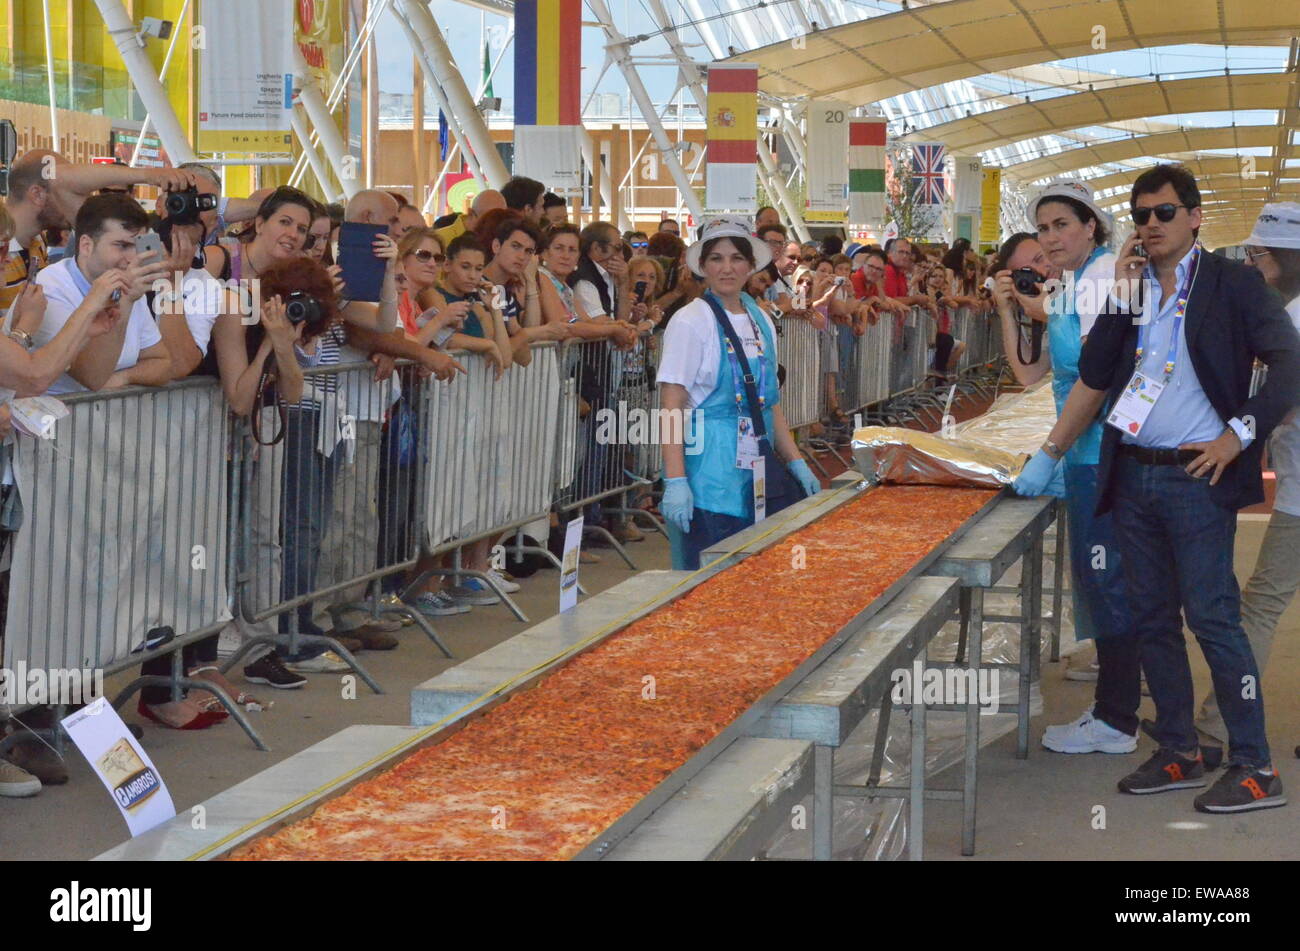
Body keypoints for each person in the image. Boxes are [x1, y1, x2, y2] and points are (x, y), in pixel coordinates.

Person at [1014, 164, 1300, 813]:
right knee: (1151, 619)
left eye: (1165, 212)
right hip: (1133, 469)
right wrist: (1120, 294)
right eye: (1143, 214)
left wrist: (1239, 433)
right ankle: (1179, 747)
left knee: (1213, 617)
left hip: (1198, 475)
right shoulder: (1132, 289)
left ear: (1194, 217)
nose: (1152, 224)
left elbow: (1289, 361)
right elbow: (1094, 369)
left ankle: (1255, 765)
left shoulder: (1232, 285)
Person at [998, 186, 1146, 760]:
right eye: (1044, 228)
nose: (1052, 238)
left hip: (1100, 455)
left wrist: (1051, 452)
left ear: (1092, 227)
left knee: (1109, 581)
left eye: (1063, 225)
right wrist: (1007, 310)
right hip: (1085, 453)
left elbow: (1096, 380)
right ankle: (1119, 704)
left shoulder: (1105, 278)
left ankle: (1116, 718)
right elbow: (1036, 375)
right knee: (1101, 579)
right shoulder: (1075, 285)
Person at [1190, 203, 1300, 748]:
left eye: (1258, 254)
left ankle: (1216, 728)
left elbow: (1281, 402)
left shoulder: (1291, 319)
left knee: (1261, 603)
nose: (1252, 265)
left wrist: (1230, 430)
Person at [657, 216, 822, 570]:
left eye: (736, 258)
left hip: (758, 472)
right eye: (716, 258)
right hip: (709, 479)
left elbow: (768, 402)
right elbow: (671, 407)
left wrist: (795, 461)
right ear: (702, 266)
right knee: (706, 587)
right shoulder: (689, 322)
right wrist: (675, 480)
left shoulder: (759, 319)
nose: (727, 268)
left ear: (751, 265)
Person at [433, 188, 505, 249]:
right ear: (470, 214)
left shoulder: (501, 243)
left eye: (500, 222)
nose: (493, 228)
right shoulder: (438, 240)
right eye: (487, 222)